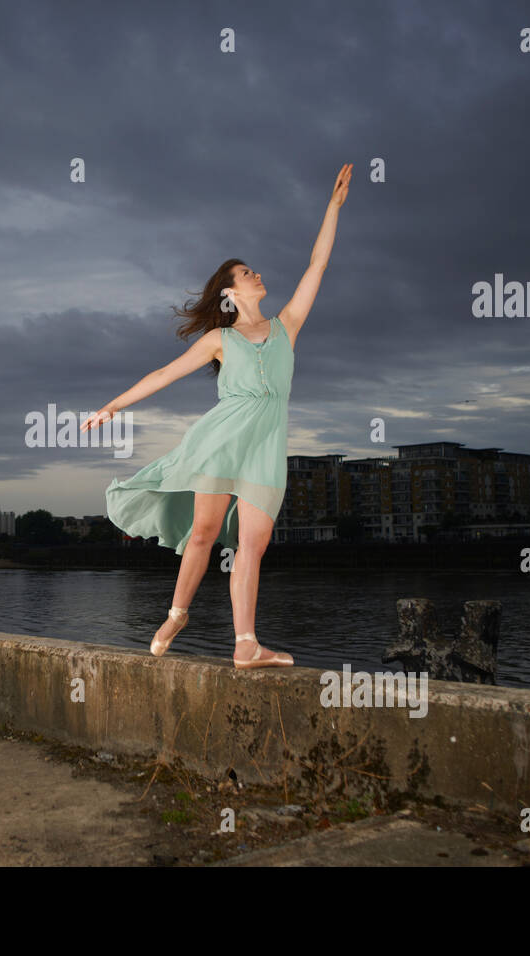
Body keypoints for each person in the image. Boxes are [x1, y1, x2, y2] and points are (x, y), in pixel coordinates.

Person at [81, 164, 352, 669]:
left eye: (255, 271)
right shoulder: (219, 340)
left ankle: (245, 644)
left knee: (254, 542)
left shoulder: (287, 326)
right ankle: (178, 613)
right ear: (230, 292)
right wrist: (114, 405)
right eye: (248, 273)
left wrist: (332, 209)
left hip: (267, 449)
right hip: (223, 440)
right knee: (204, 532)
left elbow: (317, 265)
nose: (258, 275)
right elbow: (163, 374)